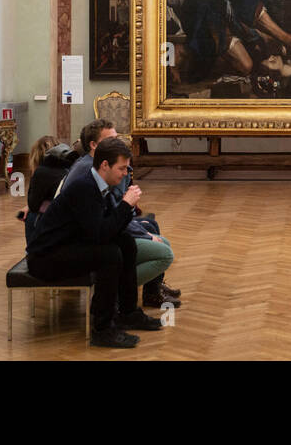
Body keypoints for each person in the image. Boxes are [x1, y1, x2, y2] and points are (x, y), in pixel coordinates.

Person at [25, 137, 161, 348]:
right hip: (45, 258)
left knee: (125, 242)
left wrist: (127, 209)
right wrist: (125, 206)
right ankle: (102, 329)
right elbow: (100, 234)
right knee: (109, 255)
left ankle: (128, 312)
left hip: (68, 244)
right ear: (105, 165)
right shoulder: (85, 187)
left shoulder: (99, 183)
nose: (126, 173)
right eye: (122, 168)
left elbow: (107, 228)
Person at [63, 120, 181, 308]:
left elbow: (115, 210)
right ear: (94, 145)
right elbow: (112, 214)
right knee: (163, 251)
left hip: (99, 234)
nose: (117, 143)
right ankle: (118, 292)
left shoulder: (95, 165)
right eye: (111, 139)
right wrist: (145, 235)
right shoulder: (93, 171)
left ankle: (150, 290)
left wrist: (143, 231)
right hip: (87, 242)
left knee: (154, 232)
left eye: (117, 139)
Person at [20, 136, 78, 245]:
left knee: (30, 216)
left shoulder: (42, 172)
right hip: (73, 214)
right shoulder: (72, 165)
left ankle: (33, 254)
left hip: (61, 220)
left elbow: (33, 205)